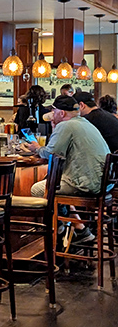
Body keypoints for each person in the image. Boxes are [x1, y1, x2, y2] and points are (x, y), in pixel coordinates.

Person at [23, 94, 108, 246]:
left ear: (61, 113)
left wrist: (36, 147)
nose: (52, 115)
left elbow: (50, 153)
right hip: (102, 183)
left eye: (54, 111)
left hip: (86, 183)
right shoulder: (85, 123)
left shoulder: (66, 125)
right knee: (53, 184)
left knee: (39, 189)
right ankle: (79, 230)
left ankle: (62, 232)